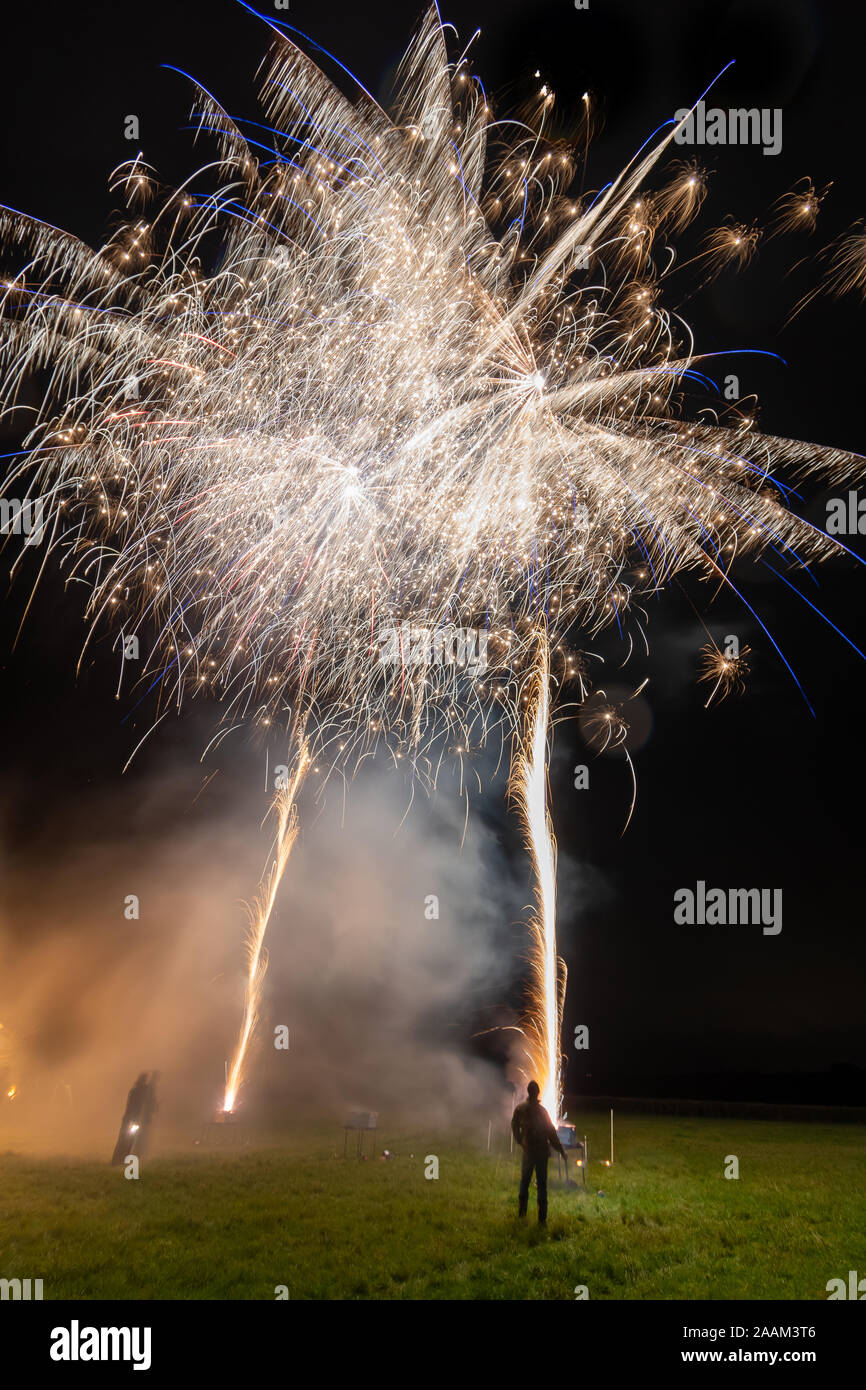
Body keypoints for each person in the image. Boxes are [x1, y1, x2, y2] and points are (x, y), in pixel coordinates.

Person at [511, 1080, 567, 1225]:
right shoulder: (542, 1112)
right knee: (542, 1185)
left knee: (524, 1182)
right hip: (541, 1153)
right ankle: (542, 1219)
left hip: (529, 1152)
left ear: (528, 1092)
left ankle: (522, 1215)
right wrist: (561, 1150)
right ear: (537, 1093)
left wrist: (520, 1141)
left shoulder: (520, 1109)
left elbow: (514, 1126)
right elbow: (551, 1134)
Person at [111, 1072, 149, 1166]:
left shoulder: (138, 1091)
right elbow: (131, 1107)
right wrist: (133, 1120)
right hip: (131, 1119)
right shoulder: (136, 1091)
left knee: (129, 1140)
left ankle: (122, 1160)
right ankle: (117, 1160)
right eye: (145, 1080)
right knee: (126, 1140)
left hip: (132, 1119)